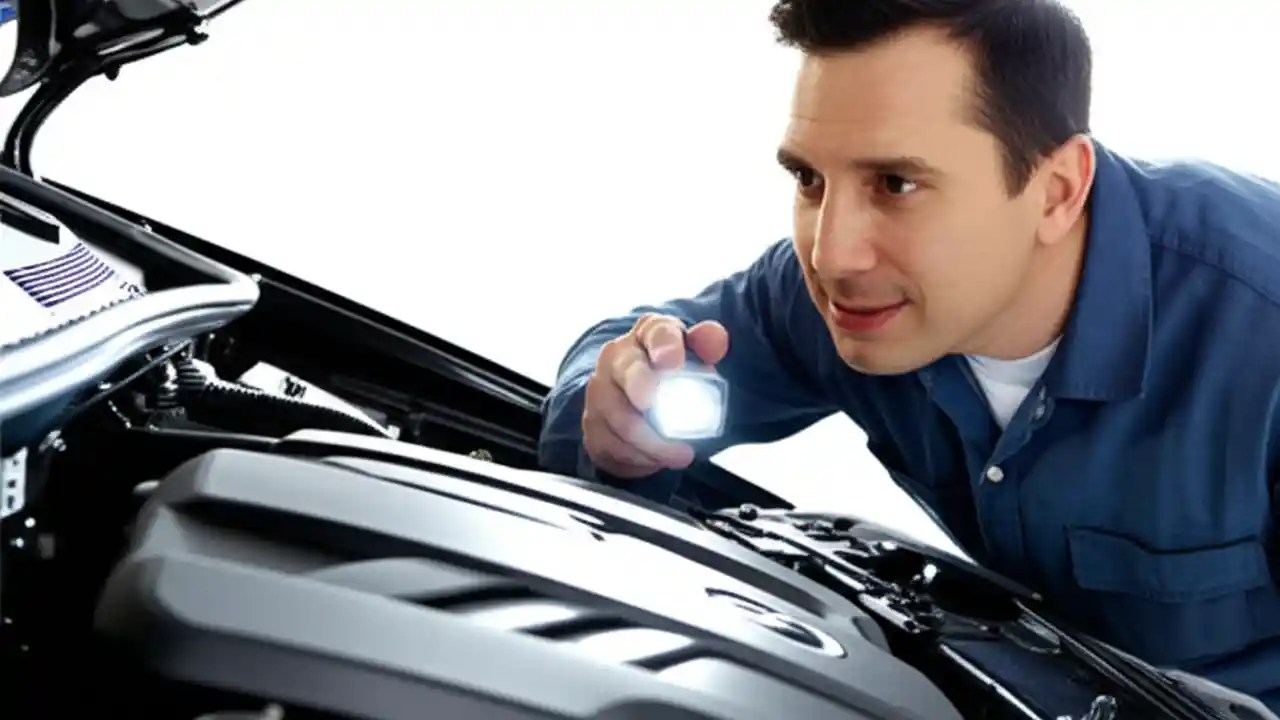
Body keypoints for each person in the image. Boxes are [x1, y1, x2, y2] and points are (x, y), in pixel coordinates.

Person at [536, 0, 1280, 711]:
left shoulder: (1259, 330)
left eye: (896, 183)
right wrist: (613, 417)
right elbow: (619, 352)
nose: (831, 253)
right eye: (808, 179)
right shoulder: (846, 294)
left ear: (1057, 191)